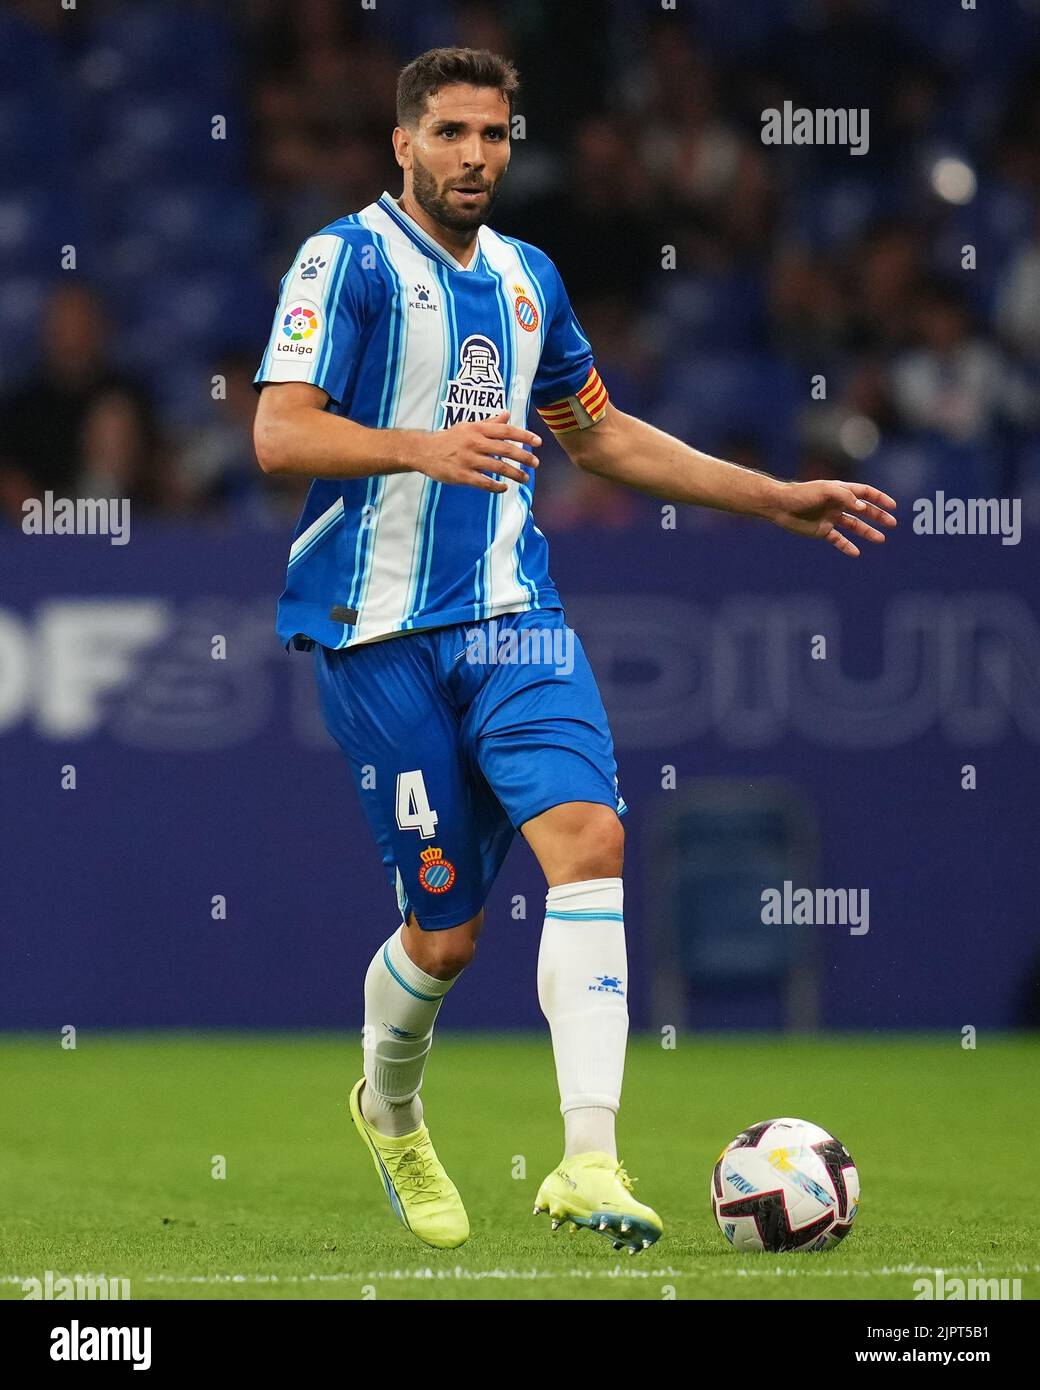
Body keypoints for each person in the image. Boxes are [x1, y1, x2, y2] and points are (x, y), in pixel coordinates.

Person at [252, 46, 897, 1255]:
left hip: (512, 619)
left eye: (493, 135)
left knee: (591, 838)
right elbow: (278, 435)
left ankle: (587, 1159)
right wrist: (418, 448)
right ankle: (387, 1109)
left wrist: (770, 497)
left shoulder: (526, 277)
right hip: (373, 632)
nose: (474, 156)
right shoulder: (341, 261)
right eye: (448, 133)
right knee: (445, 936)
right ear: (402, 143)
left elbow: (593, 436)